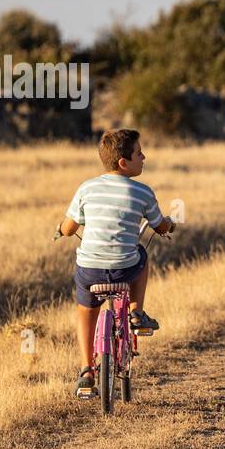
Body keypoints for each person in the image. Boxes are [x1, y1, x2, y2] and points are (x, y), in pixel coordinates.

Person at [57, 128, 175, 398]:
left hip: (90, 269)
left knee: (86, 311)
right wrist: (171, 224)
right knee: (142, 256)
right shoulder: (143, 192)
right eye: (139, 153)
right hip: (125, 266)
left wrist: (60, 229)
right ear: (124, 162)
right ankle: (136, 313)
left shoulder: (86, 188)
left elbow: (67, 228)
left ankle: (87, 370)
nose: (144, 157)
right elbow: (159, 226)